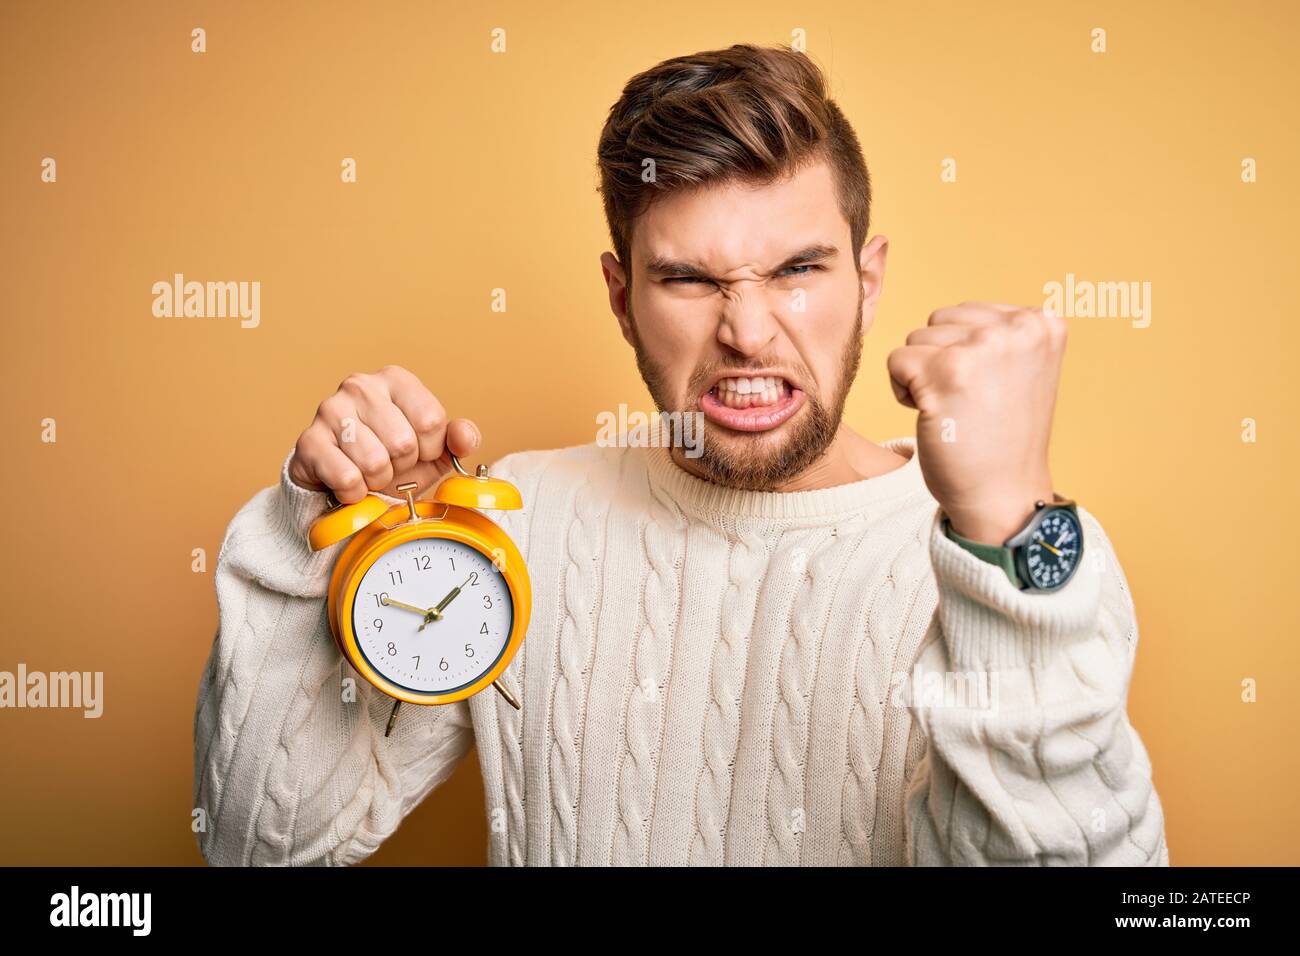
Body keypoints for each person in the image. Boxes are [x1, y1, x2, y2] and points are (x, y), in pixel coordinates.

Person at [193, 43, 1168, 866]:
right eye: (689, 278)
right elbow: (264, 844)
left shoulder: (1021, 556)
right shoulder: (515, 519)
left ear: (867, 281)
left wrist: (1007, 541)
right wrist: (327, 540)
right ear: (622, 297)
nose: (747, 330)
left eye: (796, 269)